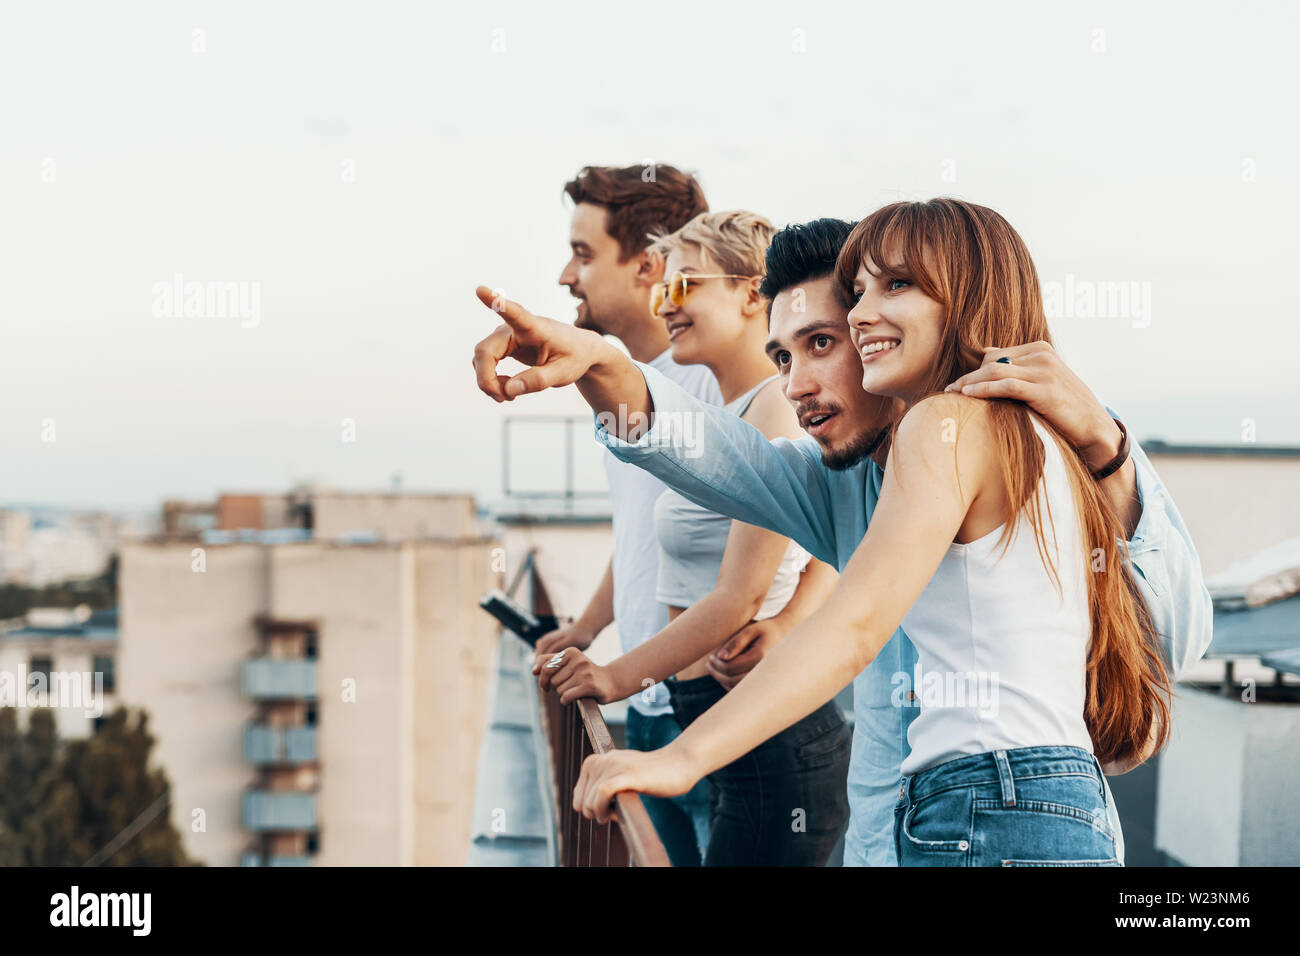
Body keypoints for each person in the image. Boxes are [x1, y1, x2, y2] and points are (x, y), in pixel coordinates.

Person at [470, 211, 1213, 865]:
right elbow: (712, 452)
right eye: (783, 357)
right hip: (939, 825)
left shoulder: (1030, 431)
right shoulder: (855, 478)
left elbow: (1173, 639)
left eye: (825, 339)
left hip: (989, 814)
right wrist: (600, 364)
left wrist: (1109, 450)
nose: (795, 387)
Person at [532, 211, 850, 865]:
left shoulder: (774, 409)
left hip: (768, 739)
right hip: (714, 718)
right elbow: (834, 528)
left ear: (751, 292)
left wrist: (612, 676)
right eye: (661, 289)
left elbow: (738, 597)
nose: (664, 304)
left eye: (684, 287)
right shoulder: (726, 415)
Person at [528, 163, 721, 866]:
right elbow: (647, 531)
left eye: (583, 254)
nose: (564, 276)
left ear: (647, 266)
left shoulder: (709, 381)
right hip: (649, 709)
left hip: (713, 723)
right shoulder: (642, 386)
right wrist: (585, 626)